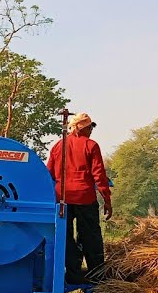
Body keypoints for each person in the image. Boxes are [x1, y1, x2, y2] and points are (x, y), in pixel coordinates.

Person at [46, 112, 112, 283]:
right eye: (89, 128)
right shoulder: (91, 145)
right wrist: (107, 200)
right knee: (91, 237)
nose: (91, 131)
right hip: (85, 198)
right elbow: (99, 175)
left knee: (65, 237)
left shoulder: (58, 146)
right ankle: (96, 277)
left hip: (62, 200)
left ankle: (73, 274)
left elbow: (49, 173)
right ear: (81, 128)